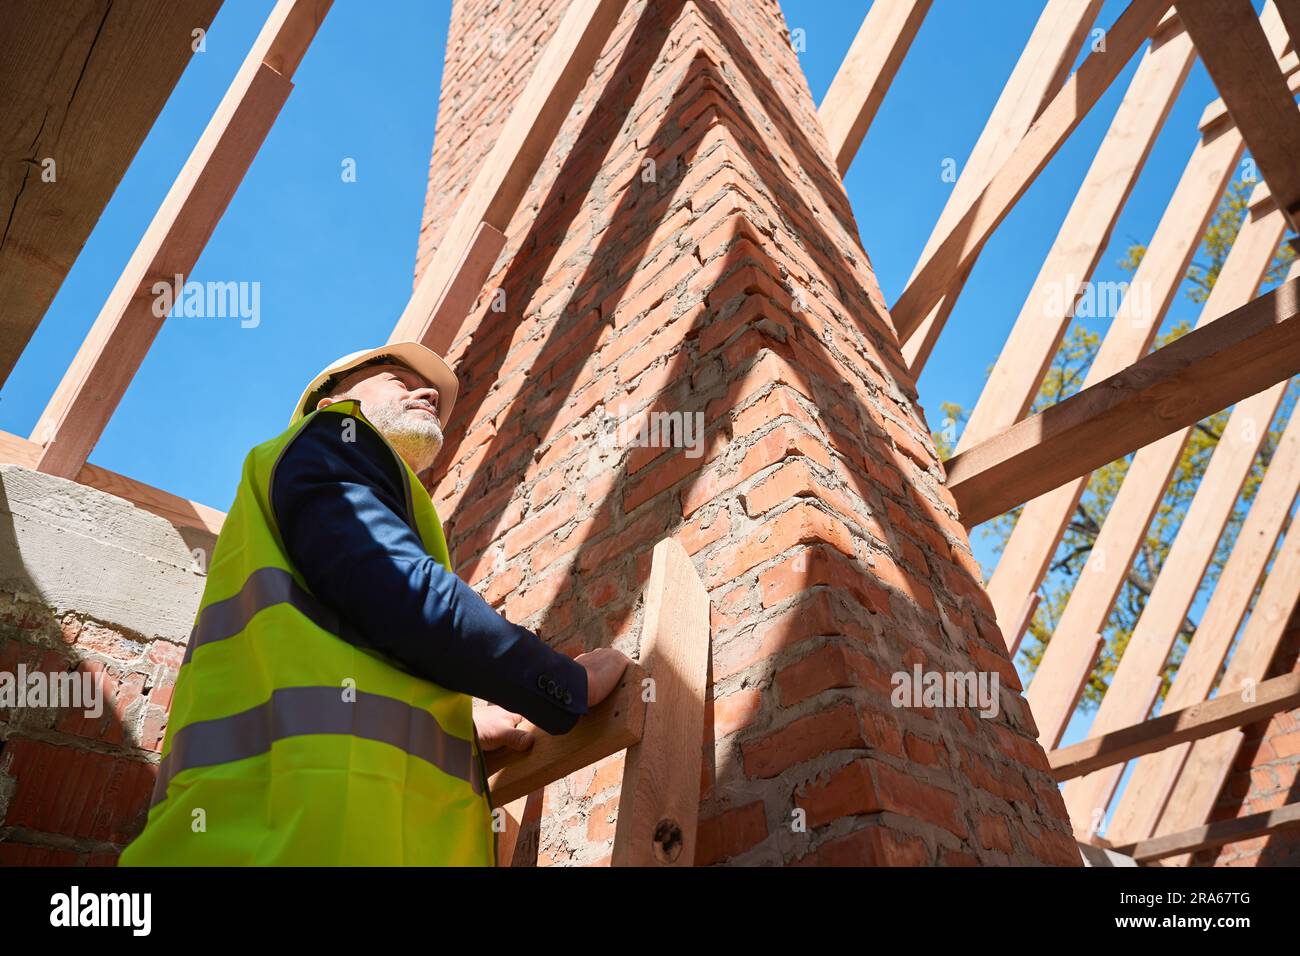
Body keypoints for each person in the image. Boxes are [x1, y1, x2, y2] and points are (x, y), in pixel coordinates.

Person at [119, 342, 630, 865]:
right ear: (330, 405)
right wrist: (565, 684)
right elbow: (403, 594)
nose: (428, 391)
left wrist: (458, 730)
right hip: (317, 833)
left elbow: (335, 648)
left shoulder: (290, 499)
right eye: (397, 380)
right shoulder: (328, 439)